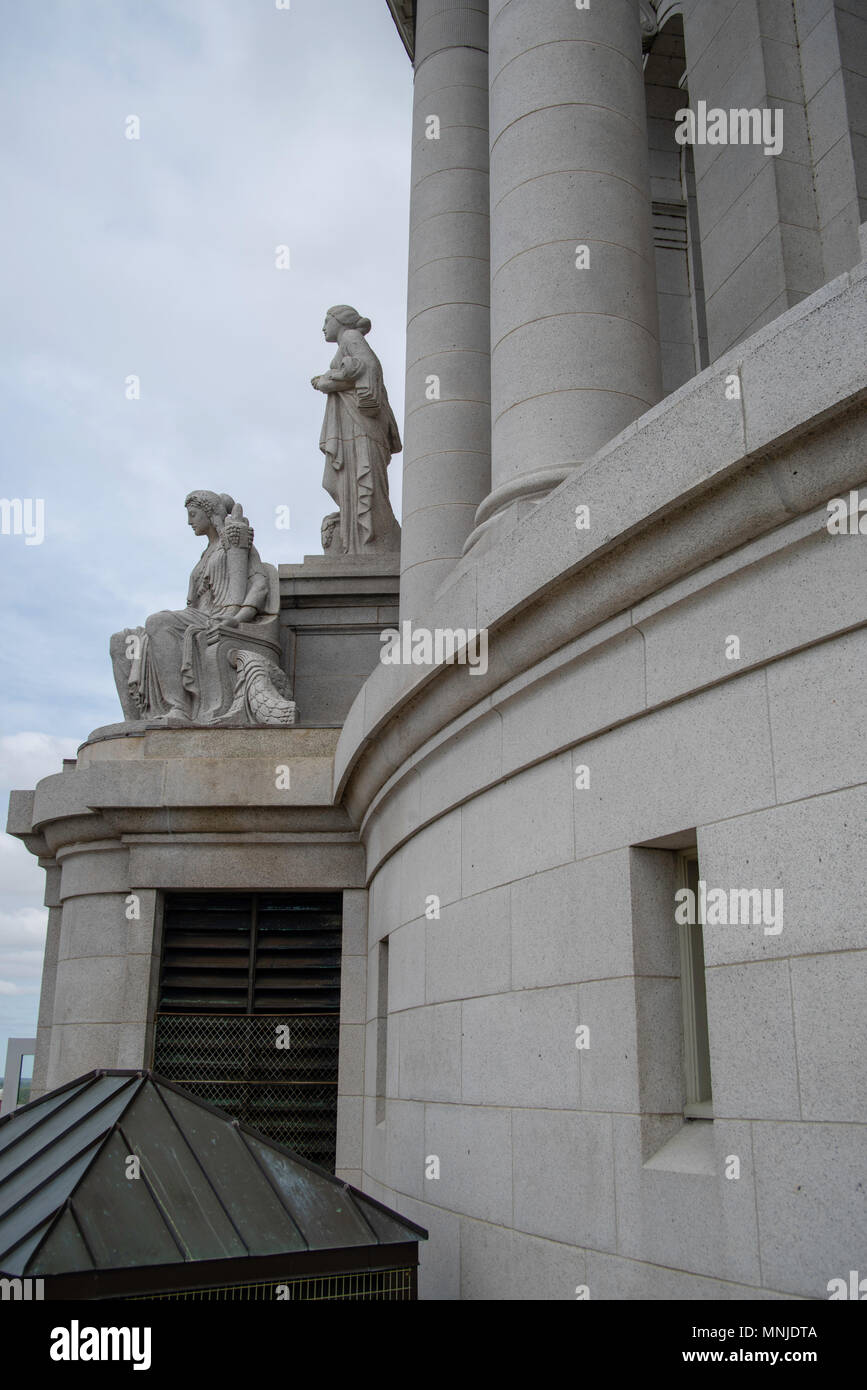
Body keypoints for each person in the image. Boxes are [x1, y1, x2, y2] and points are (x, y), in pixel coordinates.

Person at [111, 490, 276, 724]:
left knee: (158, 622)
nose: (189, 521)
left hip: (220, 616)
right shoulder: (204, 555)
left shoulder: (235, 541)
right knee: (123, 640)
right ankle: (135, 721)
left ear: (209, 513)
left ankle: (179, 707)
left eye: (193, 514)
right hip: (197, 616)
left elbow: (259, 583)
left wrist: (239, 616)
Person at [312, 305, 402, 555]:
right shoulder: (346, 343)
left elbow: (368, 366)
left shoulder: (351, 337)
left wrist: (327, 380)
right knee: (336, 483)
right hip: (351, 423)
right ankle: (358, 542)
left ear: (339, 321)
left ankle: (373, 544)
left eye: (326, 320)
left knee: (365, 483)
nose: (323, 327)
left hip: (361, 424)